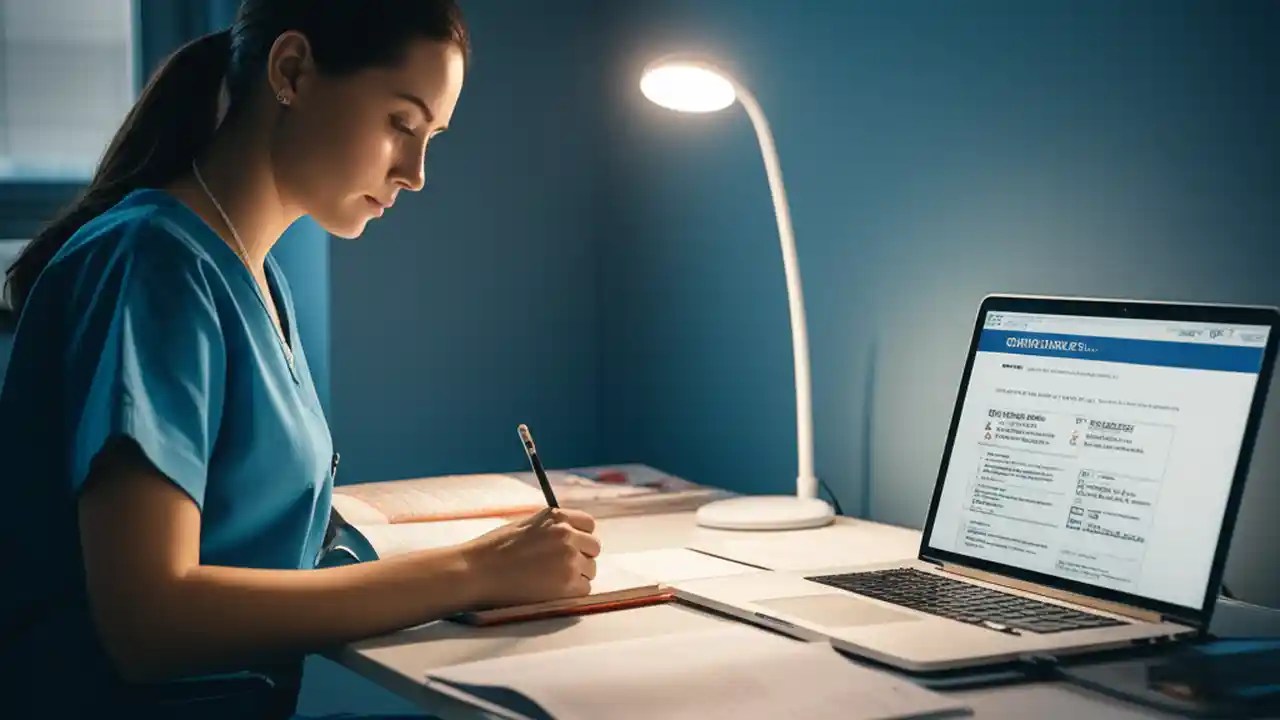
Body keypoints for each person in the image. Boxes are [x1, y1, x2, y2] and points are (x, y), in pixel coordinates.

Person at [0, 1, 600, 716]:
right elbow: (148, 622)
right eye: (401, 124)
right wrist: (471, 569)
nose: (415, 173)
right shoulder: (154, 265)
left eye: (431, 137)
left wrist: (481, 562)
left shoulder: (255, 276)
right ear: (291, 71)